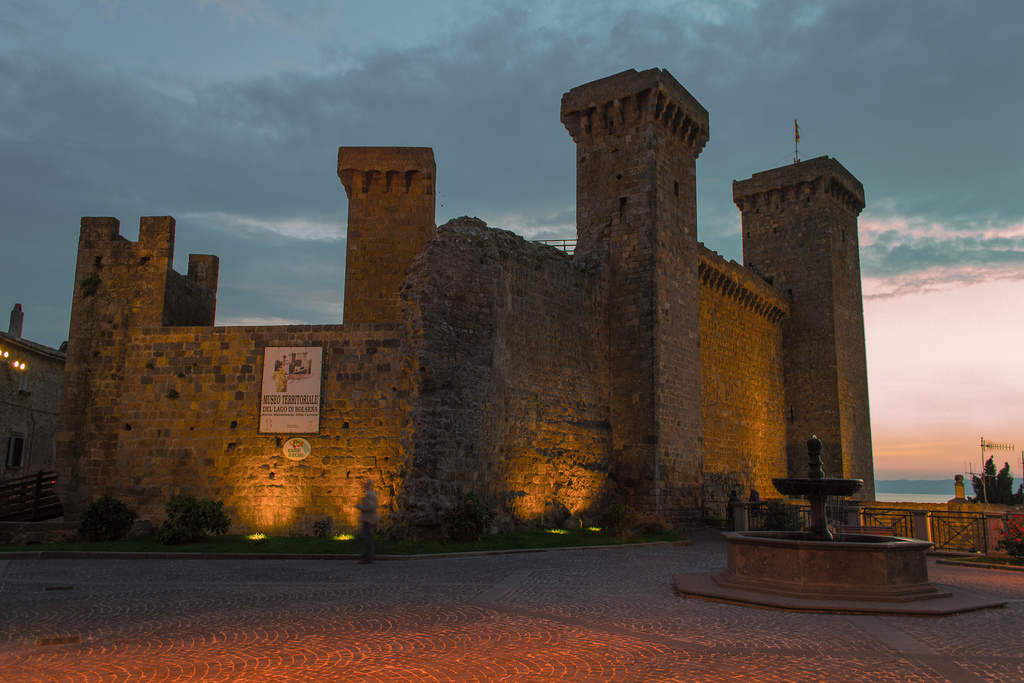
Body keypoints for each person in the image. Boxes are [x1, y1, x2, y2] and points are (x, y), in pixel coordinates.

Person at [355, 479, 379, 564]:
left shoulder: (370, 495)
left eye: (366, 484)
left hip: (368, 520)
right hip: (369, 519)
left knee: (368, 539)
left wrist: (360, 507)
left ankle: (368, 556)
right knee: (367, 538)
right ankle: (367, 555)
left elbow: (369, 507)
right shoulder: (371, 495)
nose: (365, 486)